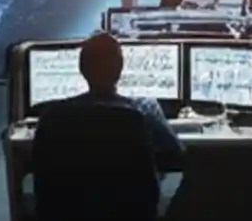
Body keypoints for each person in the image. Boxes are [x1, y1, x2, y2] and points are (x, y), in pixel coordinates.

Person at [47, 33, 184, 172]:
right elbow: (176, 153)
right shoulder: (145, 109)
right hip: (131, 193)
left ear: (81, 69)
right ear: (120, 68)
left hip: (71, 193)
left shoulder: (53, 115)